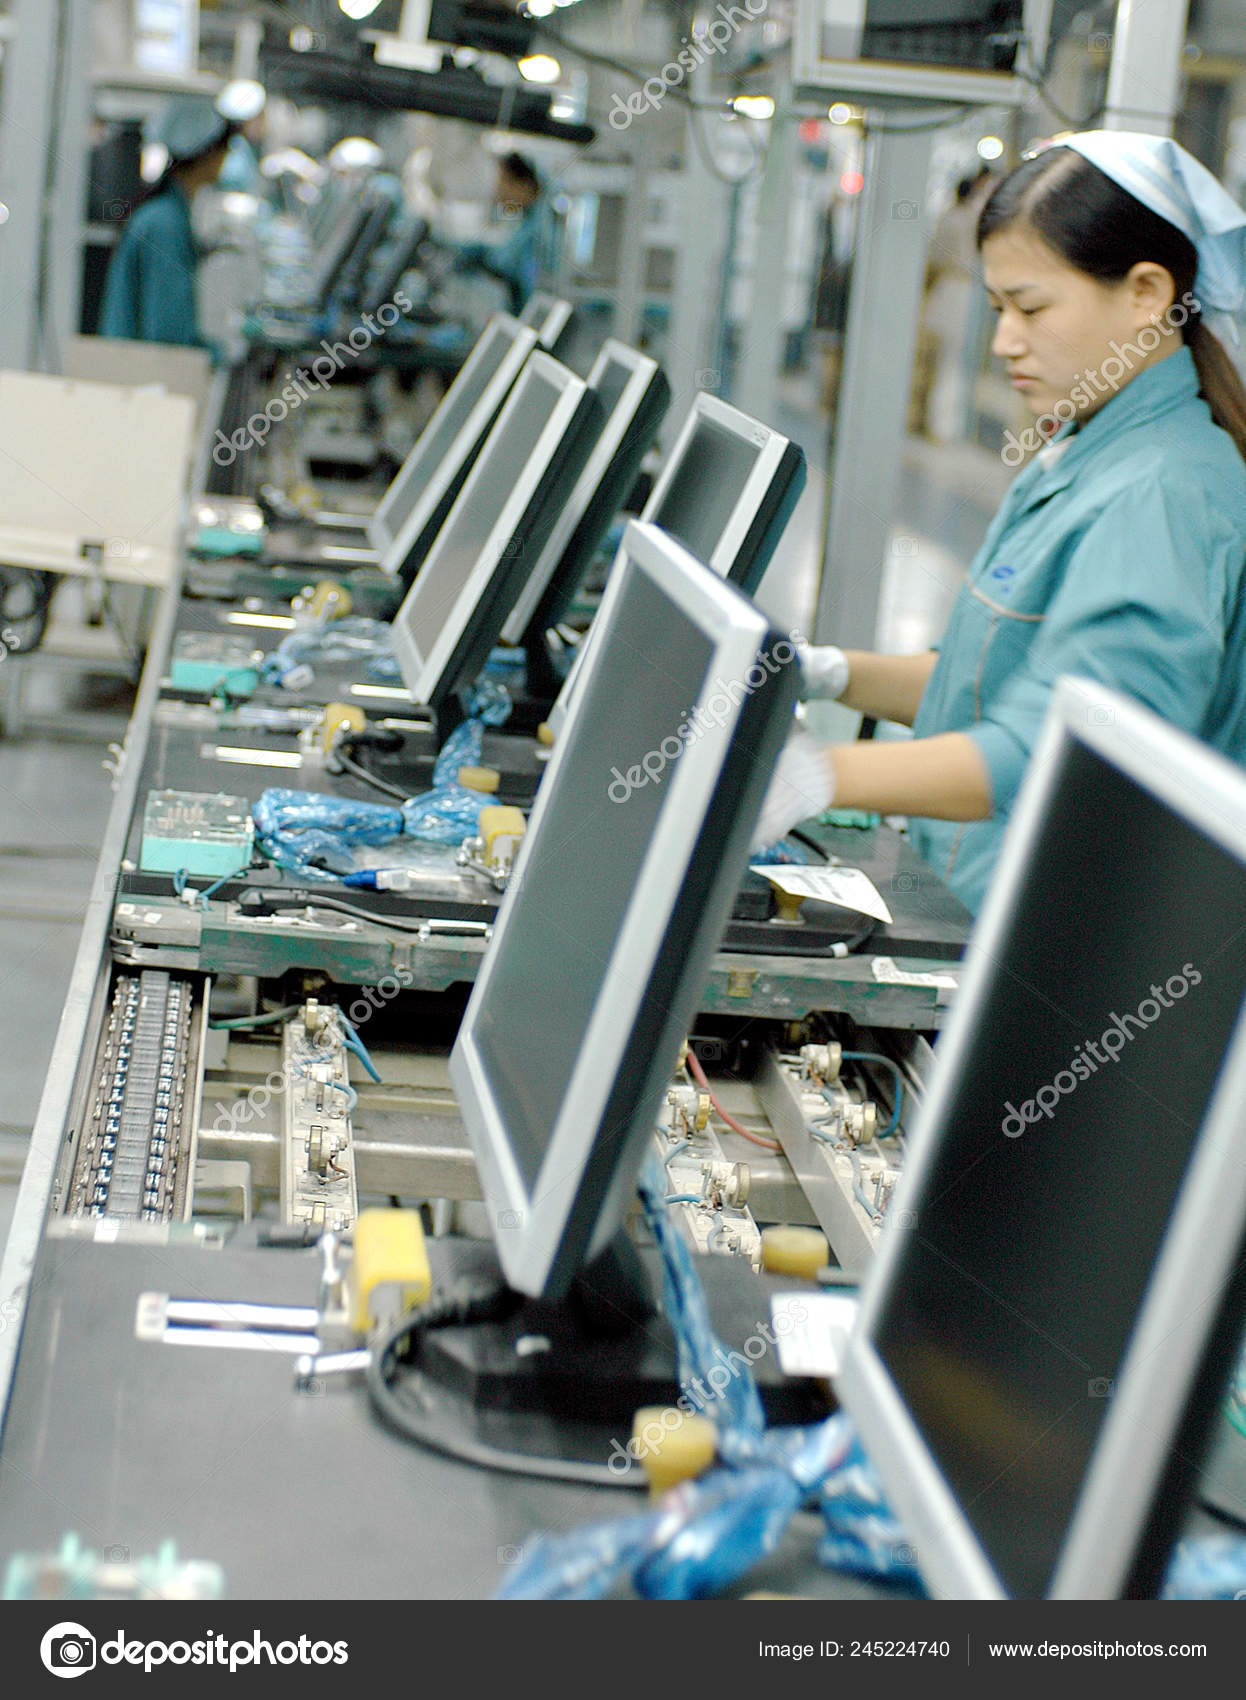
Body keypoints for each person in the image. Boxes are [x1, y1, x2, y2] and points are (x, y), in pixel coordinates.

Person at [756, 131, 1246, 914]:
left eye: (1032, 307)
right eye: (996, 308)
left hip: (1057, 950)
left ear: (1149, 293)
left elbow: (1071, 752)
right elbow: (988, 681)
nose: (1006, 341)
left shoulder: (1165, 493)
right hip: (965, 893)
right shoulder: (1082, 450)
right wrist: (823, 673)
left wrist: (817, 775)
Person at [99, 96, 236, 350]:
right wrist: (222, 353)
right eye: (224, 148)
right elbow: (168, 334)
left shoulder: (164, 212)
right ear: (206, 153)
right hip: (143, 375)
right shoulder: (165, 224)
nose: (227, 156)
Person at [452, 151, 555, 313]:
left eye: (503, 183)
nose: (498, 194)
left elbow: (512, 266)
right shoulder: (526, 218)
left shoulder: (542, 230)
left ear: (523, 184)